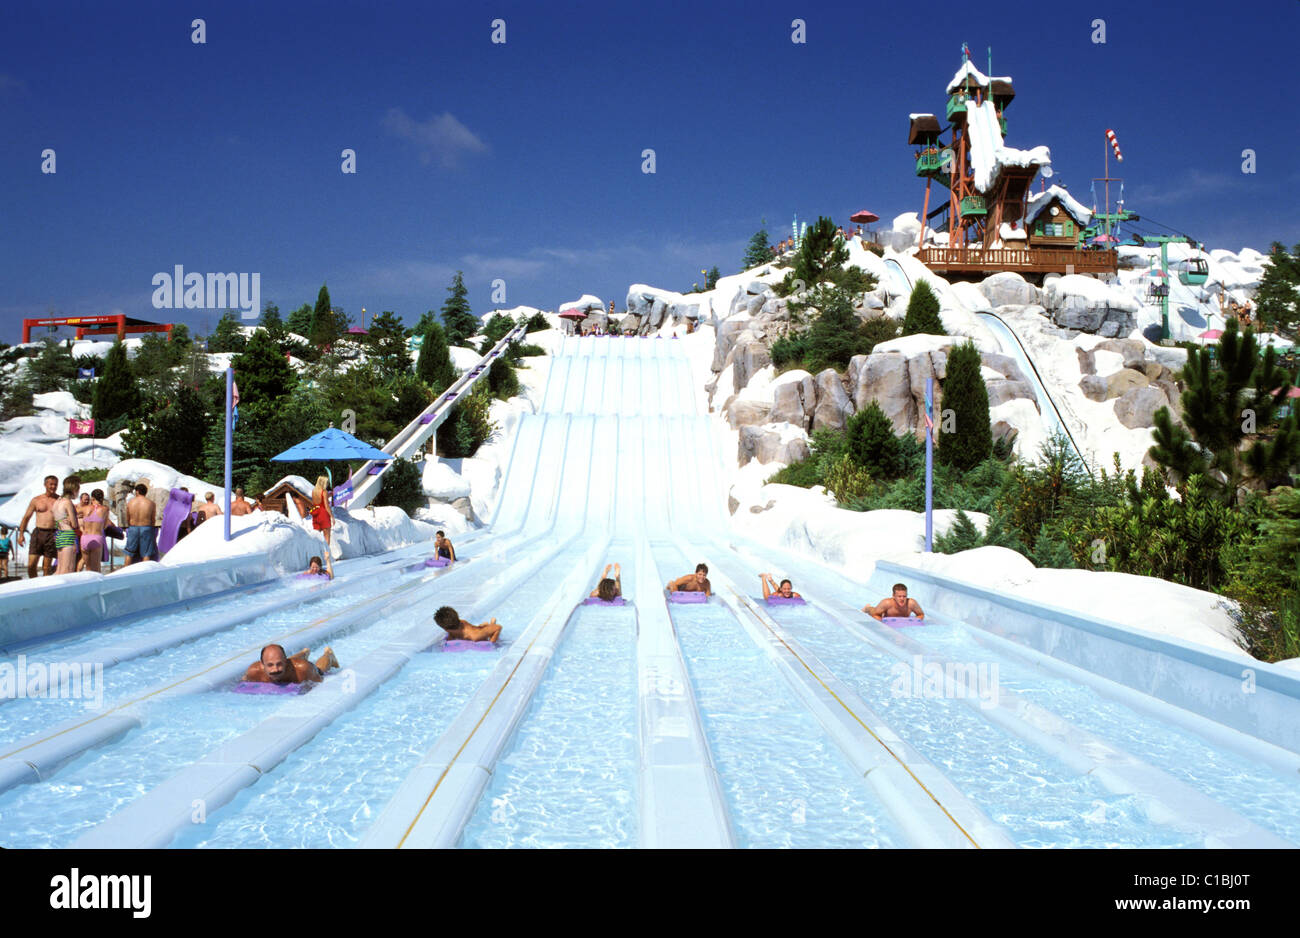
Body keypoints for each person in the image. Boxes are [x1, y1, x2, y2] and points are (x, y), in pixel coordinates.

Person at [16, 474, 60, 577]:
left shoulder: (59, 500)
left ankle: (44, 589)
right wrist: (21, 535)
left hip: (52, 533)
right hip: (38, 533)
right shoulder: (36, 500)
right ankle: (33, 585)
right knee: (31, 565)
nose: (53, 487)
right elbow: (26, 517)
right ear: (45, 485)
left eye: (55, 484)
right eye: (51, 484)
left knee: (46, 568)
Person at [243, 643, 340, 685]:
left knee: (320, 669)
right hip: (290, 664)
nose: (275, 669)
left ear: (285, 662)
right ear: (262, 664)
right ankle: (304, 653)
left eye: (279, 664)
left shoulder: (303, 669)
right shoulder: (254, 671)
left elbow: (321, 682)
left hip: (303, 667)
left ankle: (329, 655)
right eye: (270, 665)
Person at [51, 476, 82, 575]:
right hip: (68, 534)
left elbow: (56, 520)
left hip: (59, 534)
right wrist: (76, 517)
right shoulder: (68, 502)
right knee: (67, 569)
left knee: (59, 568)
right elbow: (74, 524)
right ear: (73, 490)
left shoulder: (57, 502)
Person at [124, 483, 157, 565]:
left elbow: (127, 517)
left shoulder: (131, 502)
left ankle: (124, 573)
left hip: (133, 527)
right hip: (146, 527)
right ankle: (145, 573)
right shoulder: (151, 503)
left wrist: (130, 526)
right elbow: (153, 519)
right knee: (146, 554)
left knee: (129, 553)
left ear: (137, 491)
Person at [434, 606, 502, 643]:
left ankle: (491, 623)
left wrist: (492, 642)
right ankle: (484, 625)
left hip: (477, 631)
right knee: (480, 627)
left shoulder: (475, 636)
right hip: (468, 628)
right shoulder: (454, 625)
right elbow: (451, 635)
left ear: (445, 629)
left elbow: (498, 627)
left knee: (487, 631)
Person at [79, 489, 110, 574]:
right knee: (96, 569)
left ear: (92, 498)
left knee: (88, 569)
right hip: (96, 537)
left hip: (85, 538)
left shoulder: (85, 508)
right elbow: (106, 525)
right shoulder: (105, 509)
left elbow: (73, 515)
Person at [310, 476, 333, 549]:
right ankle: (326, 554)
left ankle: (316, 551)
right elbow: (326, 505)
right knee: (326, 535)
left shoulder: (314, 491)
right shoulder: (324, 491)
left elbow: (319, 500)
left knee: (317, 535)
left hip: (316, 513)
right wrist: (332, 516)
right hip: (323, 514)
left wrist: (329, 495)